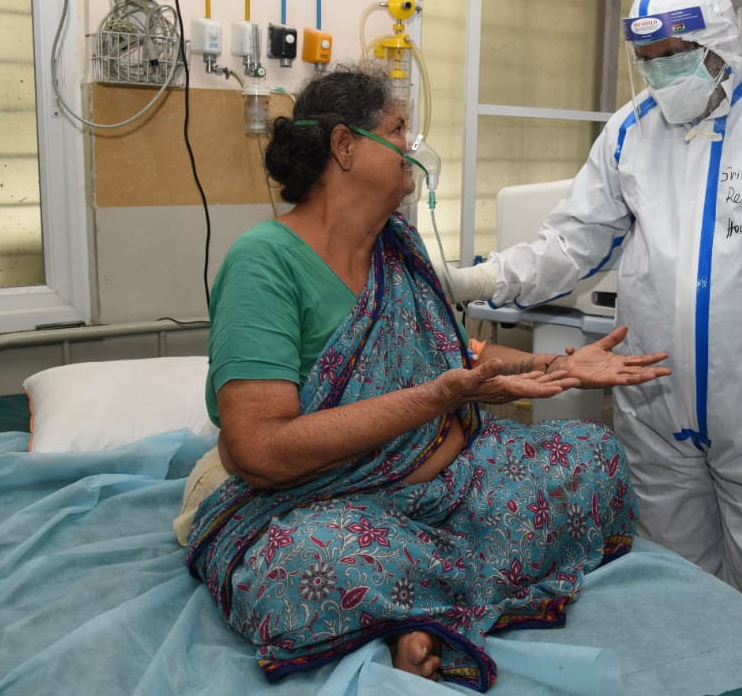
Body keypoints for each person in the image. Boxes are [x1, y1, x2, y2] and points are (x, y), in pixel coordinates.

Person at [181, 63, 671, 691]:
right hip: (334, 502)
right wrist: (438, 396)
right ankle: (410, 603)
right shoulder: (265, 263)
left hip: (459, 480)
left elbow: (460, 355)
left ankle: (407, 602)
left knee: (594, 456)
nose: (415, 149)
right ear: (345, 145)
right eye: (400, 129)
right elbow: (259, 450)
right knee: (310, 566)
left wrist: (557, 365)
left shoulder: (398, 249)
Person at [447, 0, 742, 634]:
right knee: (668, 580)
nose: (660, 71)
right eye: (648, 57)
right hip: (654, 402)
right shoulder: (631, 130)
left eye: (675, 53)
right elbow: (572, 243)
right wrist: (480, 279)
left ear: (719, 44)